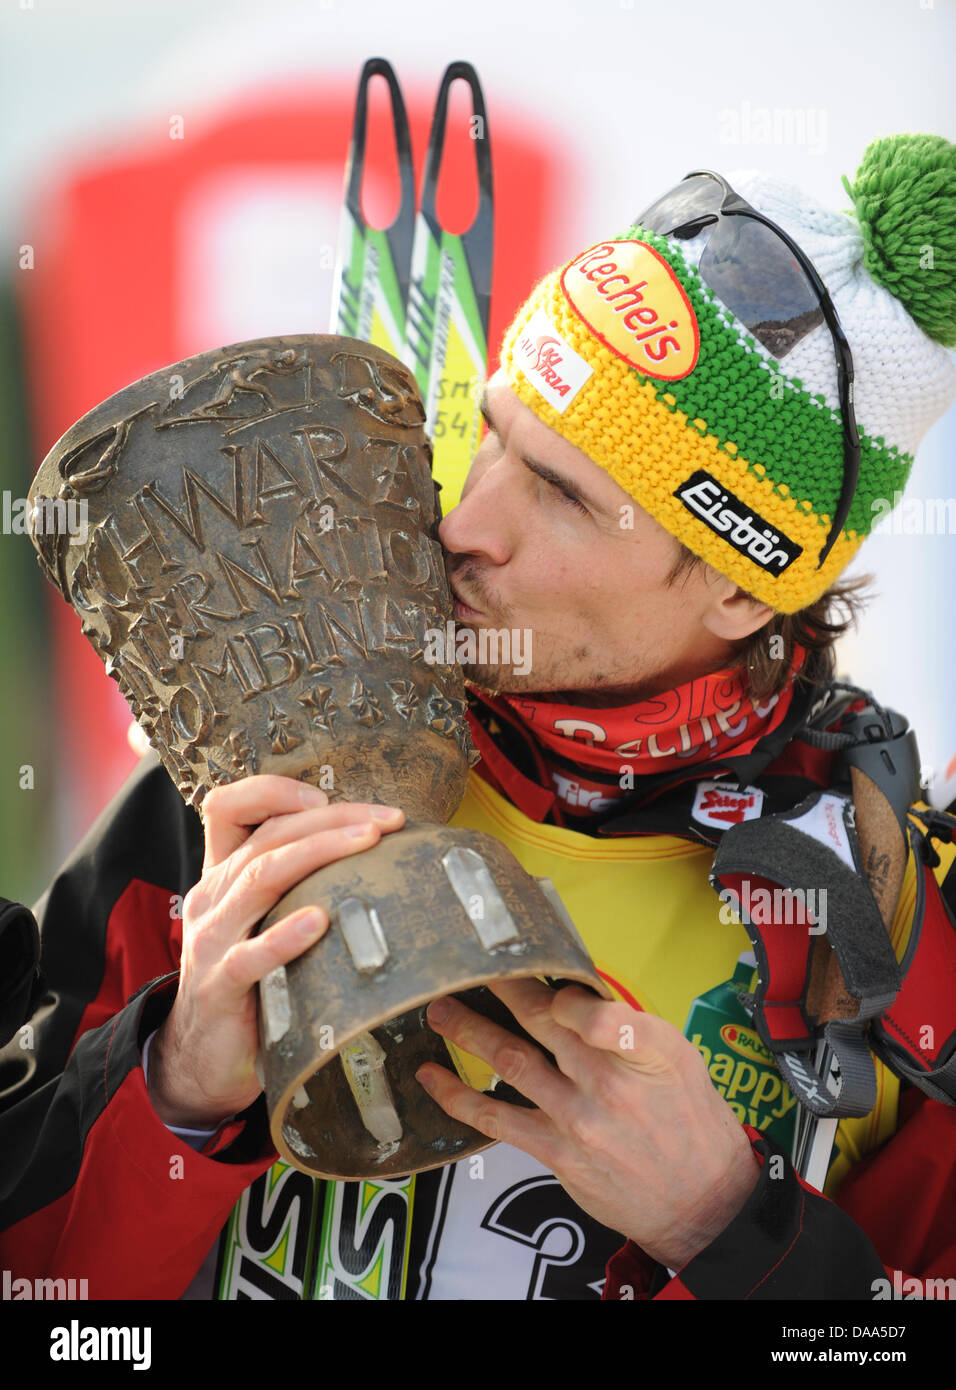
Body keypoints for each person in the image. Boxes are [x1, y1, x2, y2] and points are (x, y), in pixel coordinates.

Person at [1, 132, 954, 1301]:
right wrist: (174, 1090)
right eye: (493, 435)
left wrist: (730, 1229)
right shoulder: (257, 788)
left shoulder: (893, 922)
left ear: (742, 581)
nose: (464, 523)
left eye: (558, 494)